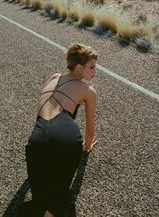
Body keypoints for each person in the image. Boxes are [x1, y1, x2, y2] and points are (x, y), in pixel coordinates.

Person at [25, 43, 98, 217]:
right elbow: (89, 131)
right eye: (92, 67)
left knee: (39, 201)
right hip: (67, 138)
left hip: (37, 138)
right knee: (57, 199)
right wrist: (87, 147)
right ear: (79, 68)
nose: (95, 72)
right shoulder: (88, 90)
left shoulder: (54, 77)